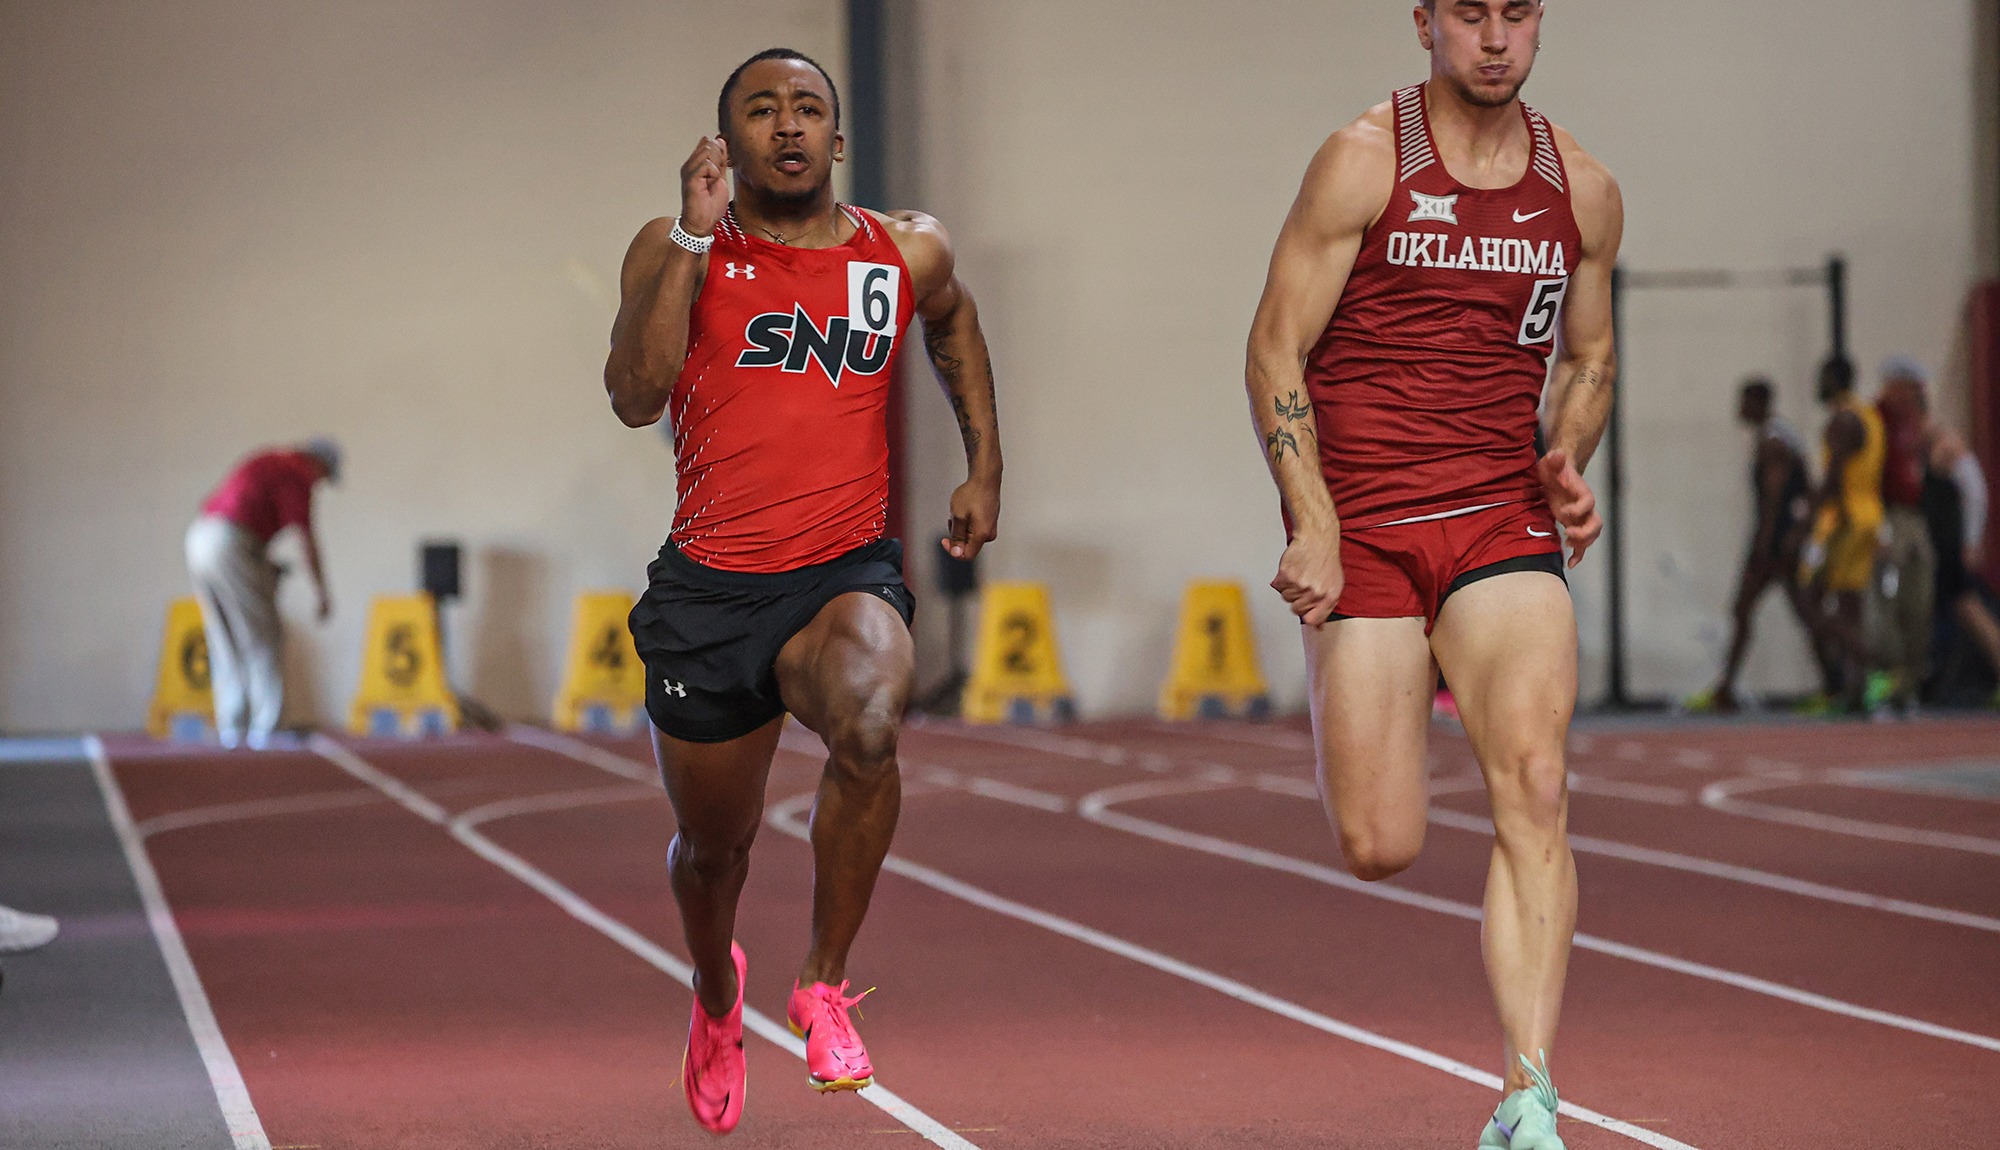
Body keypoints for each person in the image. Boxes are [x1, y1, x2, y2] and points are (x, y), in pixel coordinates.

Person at [603, 49, 1001, 1135]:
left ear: (837, 137)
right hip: (709, 593)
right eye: (761, 111)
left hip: (840, 574)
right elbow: (635, 396)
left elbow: (953, 320)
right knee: (711, 856)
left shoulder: (900, 249)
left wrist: (983, 466)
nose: (788, 126)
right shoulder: (678, 247)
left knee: (873, 714)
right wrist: (691, 232)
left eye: (808, 109)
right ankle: (715, 991)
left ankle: (822, 981)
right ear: (723, 143)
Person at [1243, 3, 1620, 1146]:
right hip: (1364, 524)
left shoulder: (1582, 190)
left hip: (1500, 518)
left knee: (1534, 784)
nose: (1494, 39)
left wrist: (1568, 456)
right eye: (1469, 14)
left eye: (1515, 14)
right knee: (1379, 842)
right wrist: (1309, 516)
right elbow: (1272, 347)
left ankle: (1528, 1092)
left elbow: (1590, 356)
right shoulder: (1363, 162)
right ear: (1424, 23)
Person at [185, 439, 339, 749]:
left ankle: (233, 726)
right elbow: (306, 540)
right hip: (230, 542)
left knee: (224, 636)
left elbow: (245, 512)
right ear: (319, 464)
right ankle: (267, 728)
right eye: (323, 477)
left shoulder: (272, 459)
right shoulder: (298, 473)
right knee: (264, 634)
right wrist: (321, 592)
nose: (320, 485)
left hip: (200, 537)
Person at [1690, 377, 1817, 712]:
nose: (1739, 408)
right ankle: (1726, 688)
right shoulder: (1779, 436)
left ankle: (1849, 676)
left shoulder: (1773, 441)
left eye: (1744, 400)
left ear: (1759, 403)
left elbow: (1775, 498)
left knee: (1751, 610)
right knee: (1801, 613)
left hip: (1775, 544)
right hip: (1783, 540)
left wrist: (1766, 543)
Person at [1797, 357, 1885, 712]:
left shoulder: (1843, 419)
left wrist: (1805, 522)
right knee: (1850, 608)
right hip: (1868, 516)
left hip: (1843, 520)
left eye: (1821, 378)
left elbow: (1833, 477)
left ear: (1834, 379)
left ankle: (1877, 667)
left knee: (1809, 597)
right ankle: (1857, 692)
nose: (1817, 385)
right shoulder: (1869, 416)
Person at [1916, 401, 2000, 705]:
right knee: (1952, 610)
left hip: (1951, 545)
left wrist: (1972, 541)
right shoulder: (1925, 451)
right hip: (1938, 544)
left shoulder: (1947, 446)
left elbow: (1975, 492)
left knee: (1968, 608)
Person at [1873, 357, 1938, 713]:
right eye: (1912, 386)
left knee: (1920, 601)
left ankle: (1909, 686)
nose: (1919, 393)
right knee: (1888, 604)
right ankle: (1885, 683)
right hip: (1889, 517)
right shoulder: (1876, 419)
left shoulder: (1913, 421)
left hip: (1914, 518)